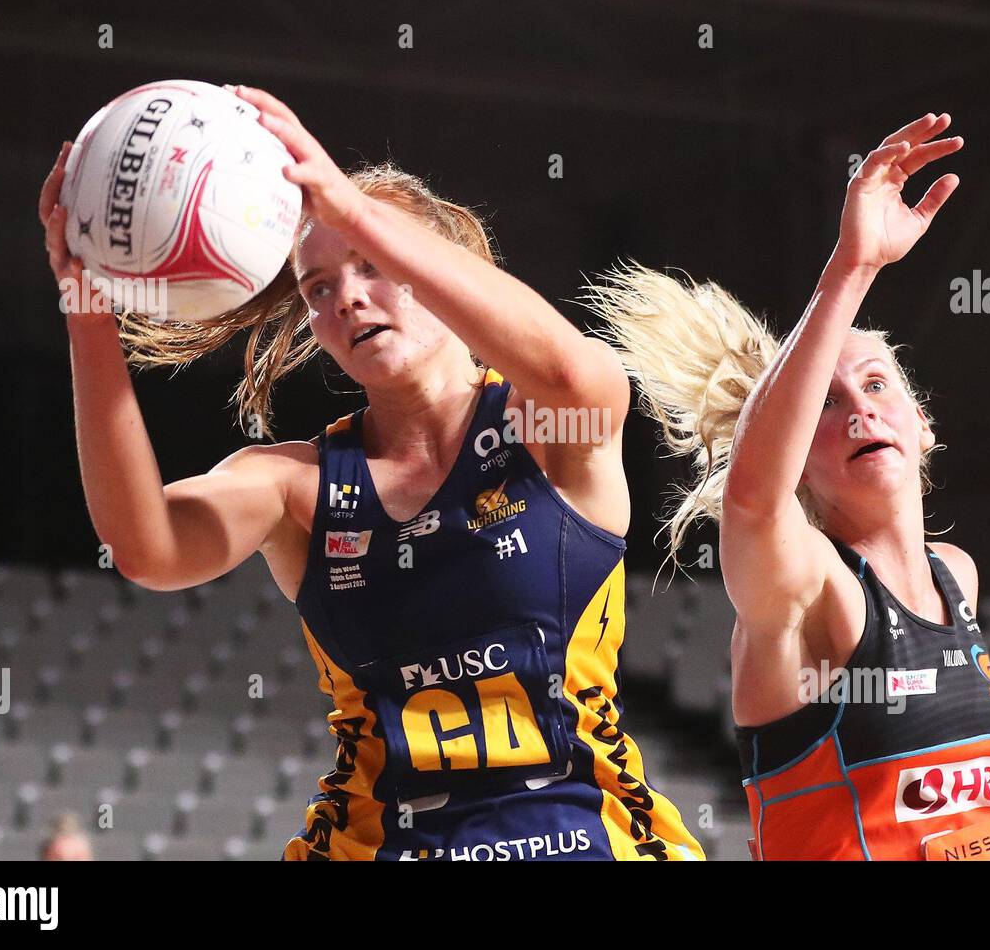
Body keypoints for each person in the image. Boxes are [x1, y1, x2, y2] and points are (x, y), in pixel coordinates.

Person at [37, 85, 702, 861]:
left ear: (447, 265)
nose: (347, 297)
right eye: (319, 288)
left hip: (584, 837)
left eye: (372, 264)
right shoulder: (297, 487)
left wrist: (347, 207)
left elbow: (573, 368)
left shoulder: (550, 427)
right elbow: (146, 547)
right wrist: (86, 311)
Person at [589, 113, 990, 860]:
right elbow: (752, 497)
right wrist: (853, 267)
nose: (860, 411)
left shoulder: (956, 575)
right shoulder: (808, 585)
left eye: (876, 385)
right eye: (827, 403)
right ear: (798, 458)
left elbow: (894, 782)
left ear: (921, 423)